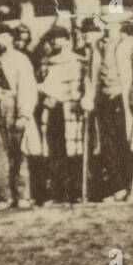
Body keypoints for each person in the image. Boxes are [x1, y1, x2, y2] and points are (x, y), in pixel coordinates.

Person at [0, 21, 39, 208]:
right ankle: (5, 196)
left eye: (4, 36)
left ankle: (23, 195)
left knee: (20, 151)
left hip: (14, 106)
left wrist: (24, 115)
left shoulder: (21, 60)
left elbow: (28, 88)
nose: (0, 40)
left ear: (11, 38)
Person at [87, 15, 133, 201]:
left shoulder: (129, 44)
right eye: (105, 24)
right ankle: (116, 186)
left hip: (124, 97)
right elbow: (91, 73)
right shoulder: (97, 45)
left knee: (126, 141)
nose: (109, 28)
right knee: (107, 145)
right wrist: (90, 95)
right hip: (104, 98)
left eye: (113, 24)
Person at [36, 21, 86, 202]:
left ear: (67, 41)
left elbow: (79, 87)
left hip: (70, 109)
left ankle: (76, 191)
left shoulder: (77, 61)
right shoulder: (47, 62)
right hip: (53, 111)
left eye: (60, 39)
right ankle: (58, 191)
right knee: (55, 151)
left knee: (73, 150)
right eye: (53, 39)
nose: (56, 42)